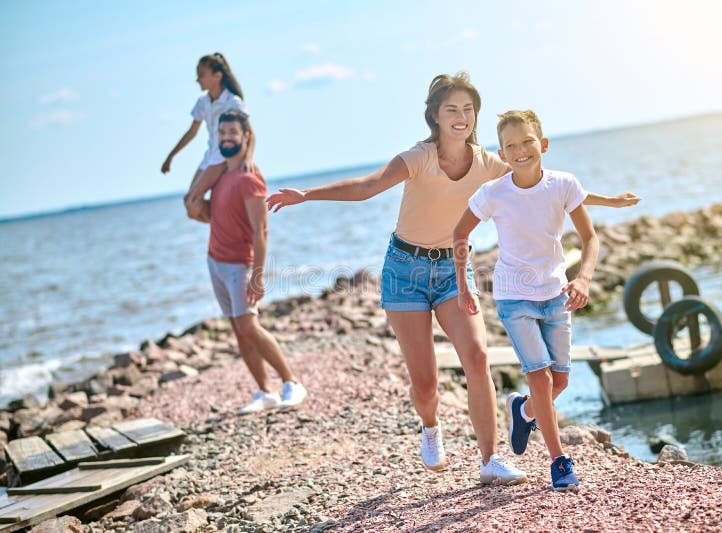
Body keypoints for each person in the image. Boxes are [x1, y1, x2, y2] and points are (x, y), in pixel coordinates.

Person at [267, 72, 635, 485]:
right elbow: (367, 186)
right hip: (404, 270)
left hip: (450, 269)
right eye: (451, 110)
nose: (461, 116)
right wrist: (306, 195)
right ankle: (430, 426)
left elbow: (543, 185)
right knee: (425, 384)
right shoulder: (418, 157)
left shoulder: (489, 163)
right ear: (435, 116)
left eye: (467, 109)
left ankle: (490, 460)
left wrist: (609, 201)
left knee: (477, 358)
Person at [453, 109, 601, 491]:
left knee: (560, 382)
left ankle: (523, 410)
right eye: (510, 145)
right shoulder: (493, 193)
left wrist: (582, 278)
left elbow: (589, 239)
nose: (520, 150)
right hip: (514, 297)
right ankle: (559, 462)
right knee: (540, 375)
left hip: (555, 294)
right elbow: (459, 234)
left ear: (543, 145)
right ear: (501, 154)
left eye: (527, 142)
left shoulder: (563, 184)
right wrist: (463, 284)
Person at [207, 110, 306, 413]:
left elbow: (261, 229)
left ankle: (292, 382)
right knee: (239, 329)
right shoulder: (221, 175)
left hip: (240, 265)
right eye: (222, 133)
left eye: (233, 133)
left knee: (249, 325)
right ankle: (265, 392)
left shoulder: (249, 178)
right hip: (215, 262)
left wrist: (258, 275)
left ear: (246, 136)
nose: (227, 137)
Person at [161, 53, 254, 223]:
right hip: (208, 157)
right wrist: (170, 157)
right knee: (189, 205)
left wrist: (247, 159)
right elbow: (191, 132)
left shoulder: (233, 101)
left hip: (222, 158)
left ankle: (229, 227)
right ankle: (227, 225)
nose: (197, 80)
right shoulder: (203, 102)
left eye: (201, 75)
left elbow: (250, 134)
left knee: (193, 201)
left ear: (217, 76)